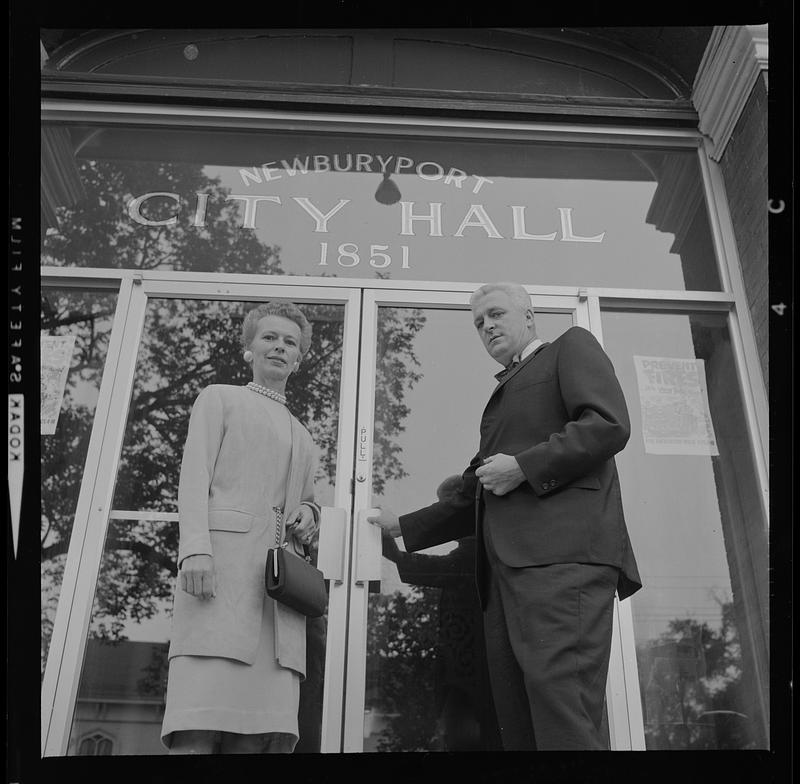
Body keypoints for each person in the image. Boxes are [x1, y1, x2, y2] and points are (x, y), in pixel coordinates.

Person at [369, 281, 642, 751]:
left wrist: (524, 467)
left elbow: (608, 424)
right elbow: (477, 490)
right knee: (519, 726)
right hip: (504, 579)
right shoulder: (504, 391)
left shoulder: (570, 348)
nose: (487, 326)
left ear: (530, 316)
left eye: (495, 314)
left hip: (563, 565)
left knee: (562, 717)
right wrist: (403, 527)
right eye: (478, 323)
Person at [161, 301, 321, 754]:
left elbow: (308, 500)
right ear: (249, 348)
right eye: (269, 337)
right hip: (220, 582)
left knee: (254, 740)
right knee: (197, 727)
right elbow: (193, 478)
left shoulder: (303, 434)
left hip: (276, 600)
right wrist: (194, 549)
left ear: (299, 358)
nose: (279, 347)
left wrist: (310, 514)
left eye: (290, 342)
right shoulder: (220, 398)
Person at [380, 475, 502, 751]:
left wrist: (390, 546)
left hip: (469, 673)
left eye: (445, 508)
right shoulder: (474, 552)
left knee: (464, 740)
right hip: (465, 670)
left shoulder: (474, 554)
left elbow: (418, 567)